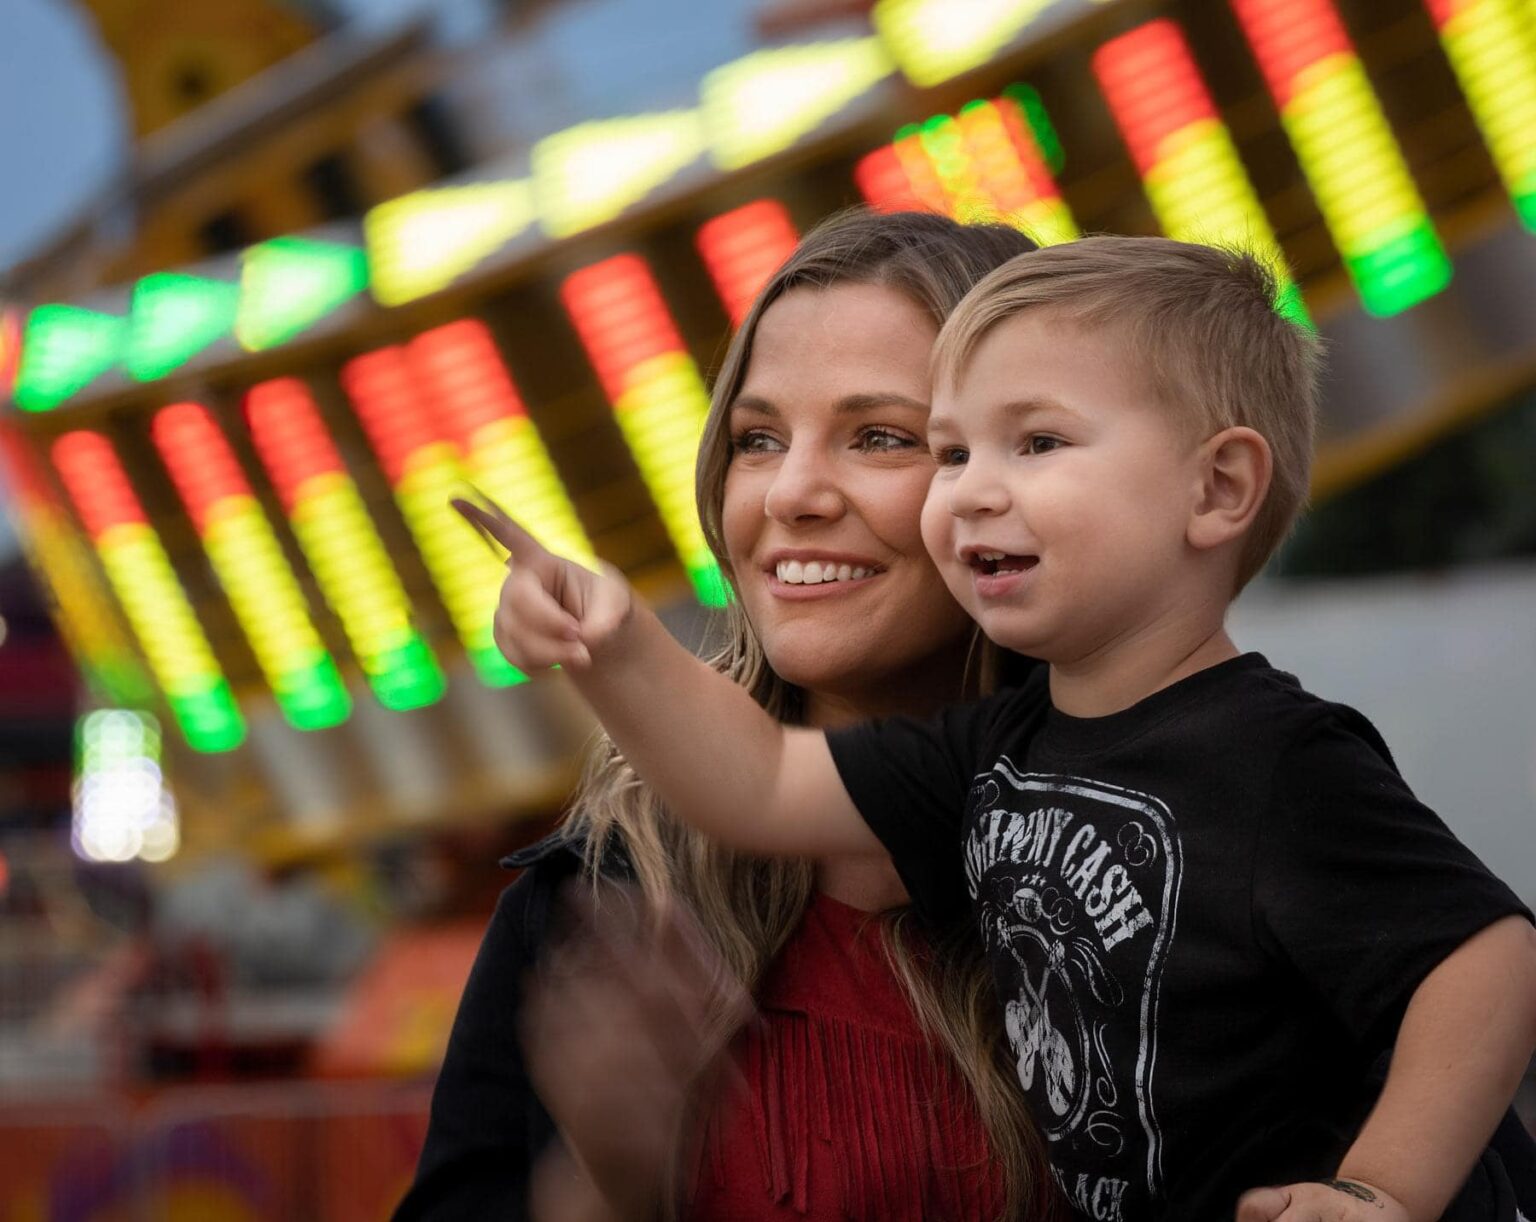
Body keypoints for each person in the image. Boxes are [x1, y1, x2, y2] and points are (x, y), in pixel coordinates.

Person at [470, 235, 1536, 1221]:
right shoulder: (994, 757)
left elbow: (1485, 956)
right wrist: (609, 639)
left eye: (884, 437)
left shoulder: (1278, 759)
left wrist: (1376, 1190)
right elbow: (755, 781)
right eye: (950, 451)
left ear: (1218, 486)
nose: (974, 490)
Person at [394, 210, 1063, 1222]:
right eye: (758, 440)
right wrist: (607, 1187)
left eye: (879, 436)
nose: (790, 493)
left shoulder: (1163, 856)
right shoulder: (598, 906)